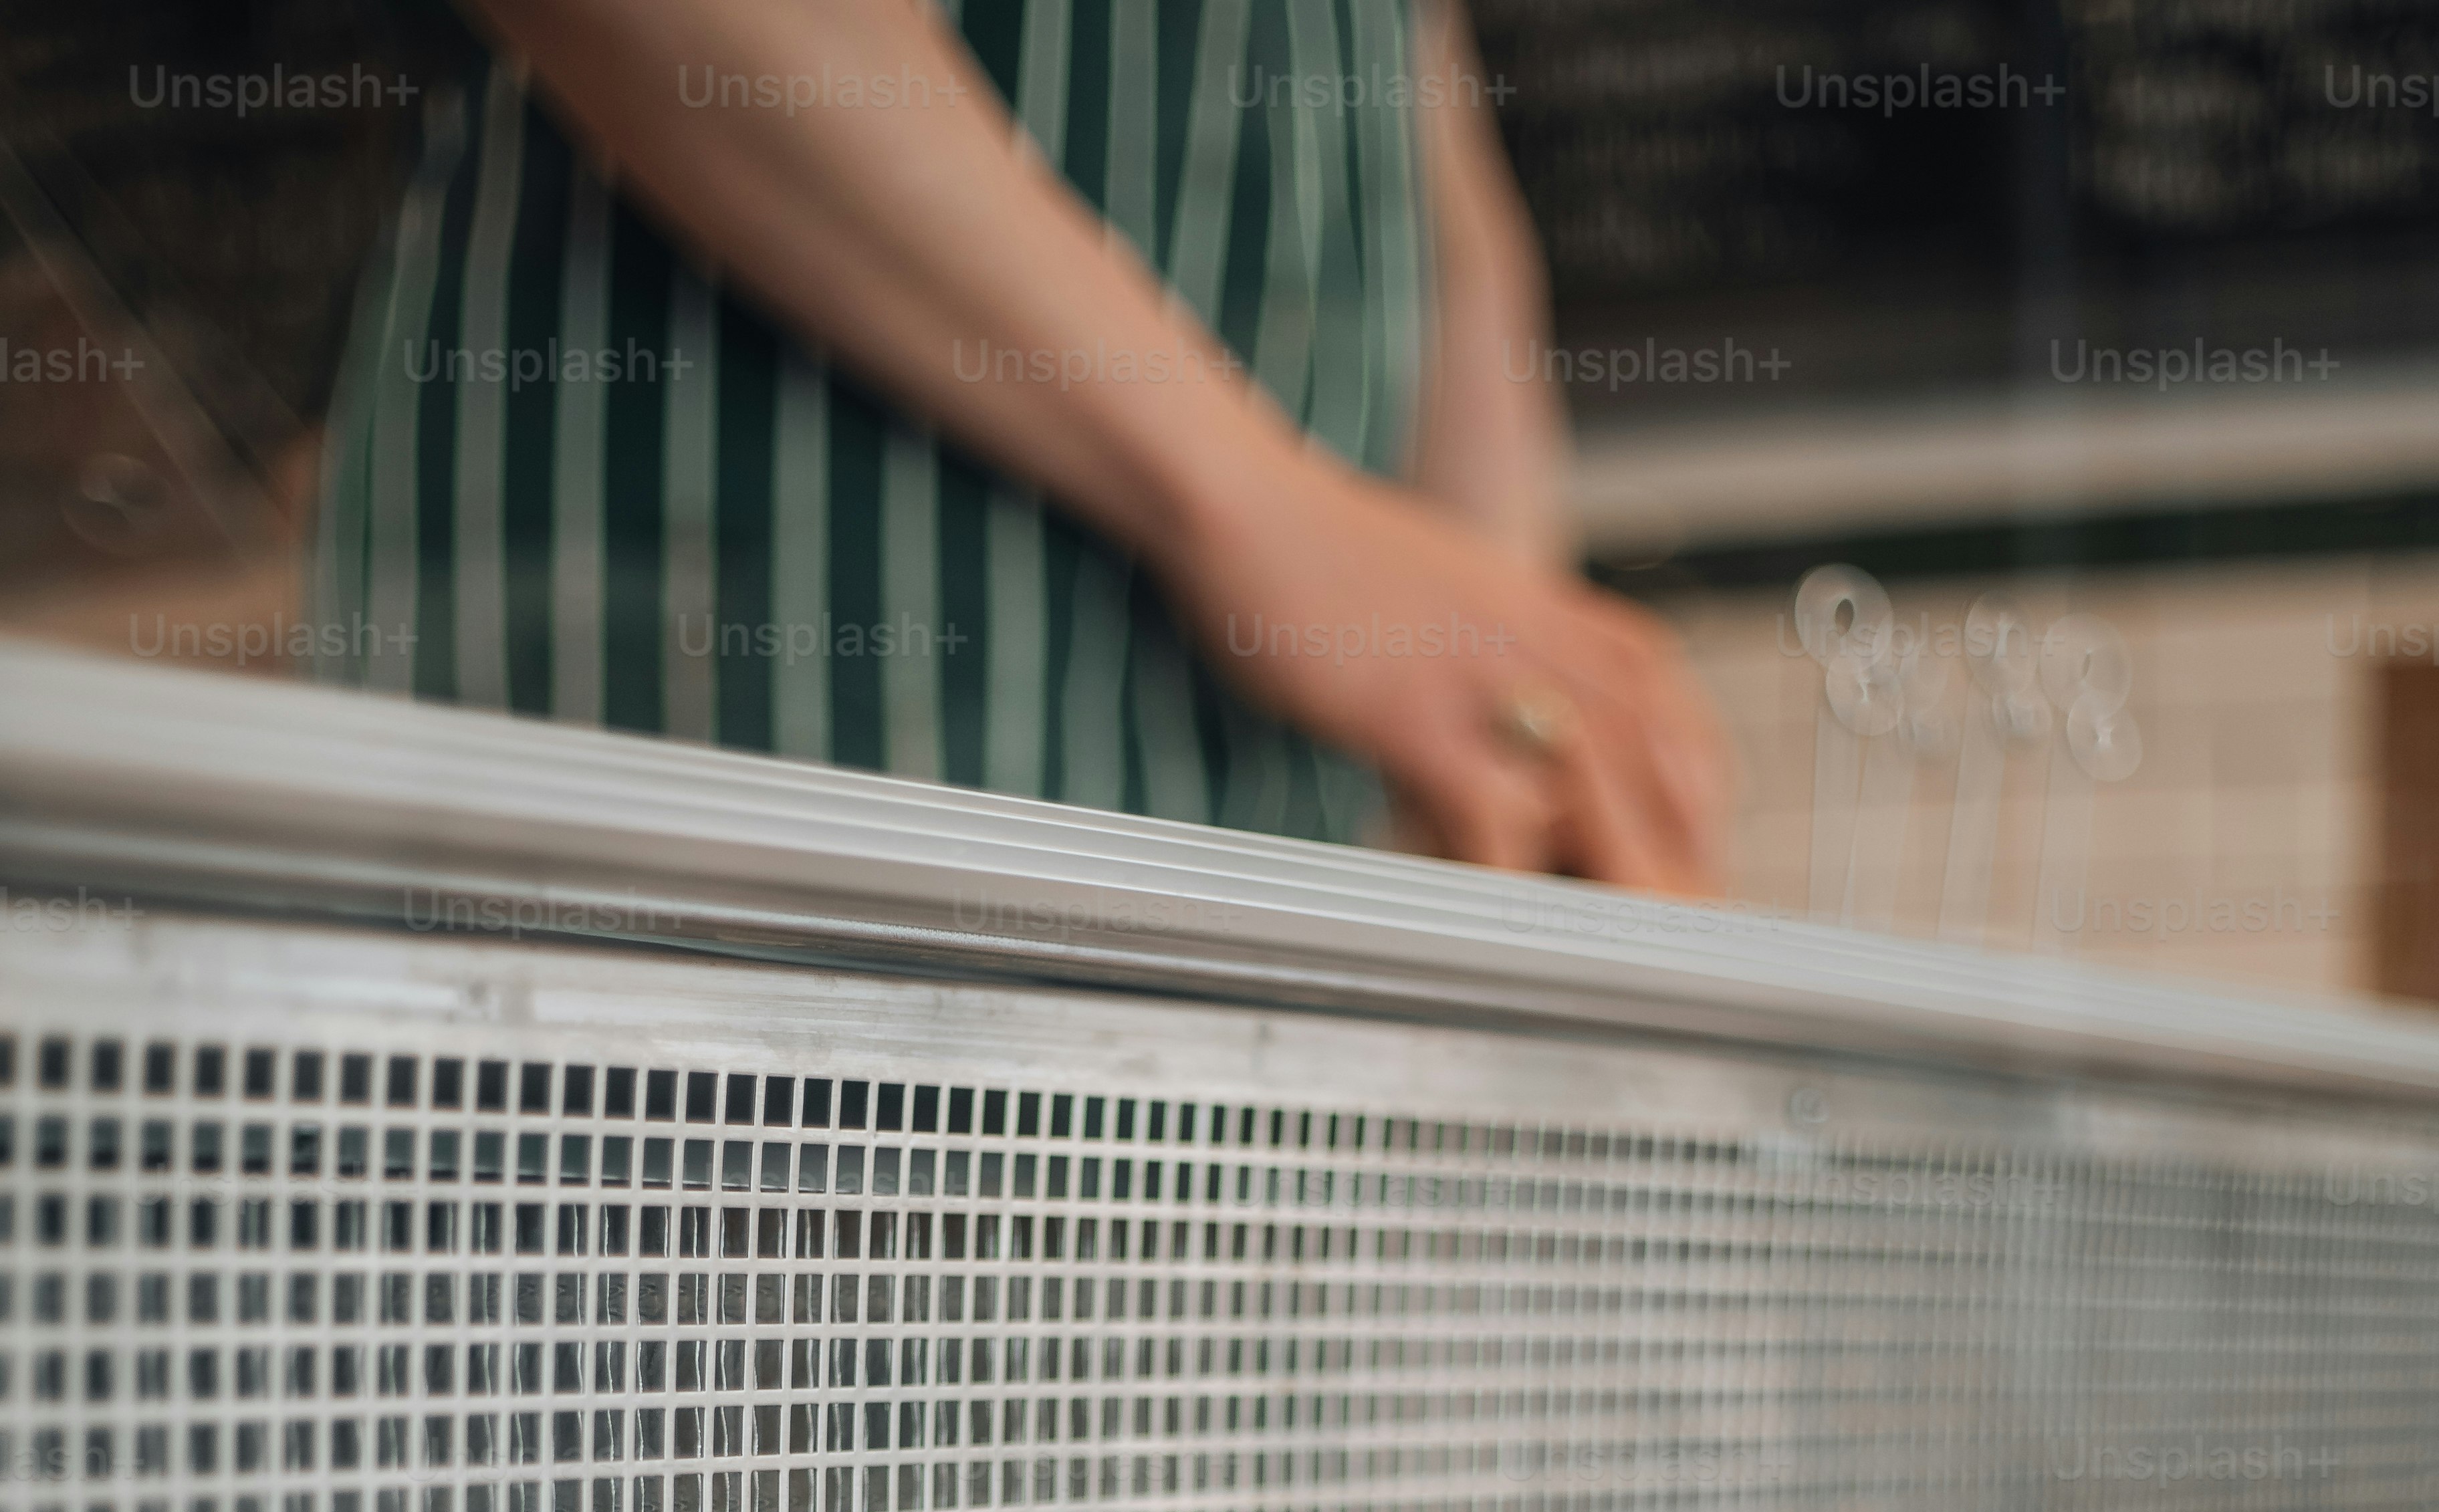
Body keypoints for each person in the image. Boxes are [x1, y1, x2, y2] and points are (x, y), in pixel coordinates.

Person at [318, 0, 1725, 886]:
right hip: (741, 684)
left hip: (1248, 801)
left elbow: (1415, 134)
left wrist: (1500, 659)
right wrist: (1259, 503)